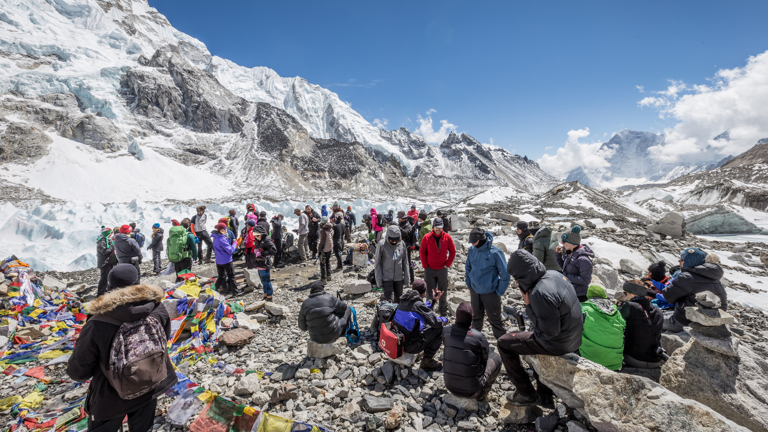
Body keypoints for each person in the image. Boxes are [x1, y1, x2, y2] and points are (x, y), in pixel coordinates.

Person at [67, 264, 177, 432]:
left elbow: (79, 371)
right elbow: (163, 339)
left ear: (109, 287)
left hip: (111, 396)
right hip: (150, 382)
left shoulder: (98, 322)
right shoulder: (157, 308)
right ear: (138, 283)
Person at [500, 250, 582, 406]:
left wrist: (528, 305)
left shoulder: (539, 293)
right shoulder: (554, 274)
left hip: (558, 343)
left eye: (517, 278)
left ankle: (526, 393)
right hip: (575, 338)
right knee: (529, 334)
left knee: (504, 343)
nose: (517, 282)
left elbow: (549, 331)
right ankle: (545, 396)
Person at [443, 302, 502, 401]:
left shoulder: (445, 331)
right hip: (473, 392)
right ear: (471, 319)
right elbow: (485, 359)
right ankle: (484, 393)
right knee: (496, 357)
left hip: (450, 387)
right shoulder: (479, 337)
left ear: (456, 317)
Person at [660, 247, 726, 332]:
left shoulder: (686, 277)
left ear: (689, 262)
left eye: (682, 259)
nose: (679, 261)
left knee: (650, 319)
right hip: (713, 323)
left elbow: (668, 297)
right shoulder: (714, 276)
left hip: (686, 323)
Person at [465, 228, 510, 339]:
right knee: (476, 318)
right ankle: (473, 342)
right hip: (475, 290)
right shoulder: (472, 250)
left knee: (495, 320)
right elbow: (468, 267)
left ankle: (504, 345)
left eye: (474, 241)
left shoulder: (495, 252)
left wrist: (499, 291)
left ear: (481, 239)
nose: (473, 244)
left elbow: (505, 273)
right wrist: (469, 283)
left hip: (490, 292)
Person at [393, 279, 447, 371]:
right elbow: (436, 323)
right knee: (439, 329)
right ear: (424, 293)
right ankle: (427, 361)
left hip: (399, 340)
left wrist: (433, 301)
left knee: (424, 324)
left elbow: (421, 307)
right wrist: (445, 319)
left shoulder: (405, 299)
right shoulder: (417, 305)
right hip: (409, 346)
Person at [579, 285, 625, 370]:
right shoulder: (616, 310)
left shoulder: (584, 308)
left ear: (588, 296)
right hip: (615, 363)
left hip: (591, 360)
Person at [620, 282, 665, 370]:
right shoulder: (658, 311)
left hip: (635, 359)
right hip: (656, 361)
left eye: (625, 293)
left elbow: (615, 322)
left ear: (633, 294)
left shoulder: (630, 306)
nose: (625, 296)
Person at [419, 217, 456, 316]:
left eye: (440, 227)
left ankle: (442, 310)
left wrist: (448, 264)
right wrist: (425, 265)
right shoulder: (427, 237)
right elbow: (422, 252)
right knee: (430, 292)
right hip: (429, 269)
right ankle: (429, 311)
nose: (438, 229)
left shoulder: (447, 237)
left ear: (442, 227)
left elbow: (453, 251)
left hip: (442, 269)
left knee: (443, 291)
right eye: (436, 227)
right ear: (433, 227)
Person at [555, 225, 594, 302]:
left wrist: (565, 276)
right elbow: (564, 267)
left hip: (579, 295)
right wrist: (558, 255)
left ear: (572, 243)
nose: (562, 244)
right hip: (570, 292)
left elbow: (585, 280)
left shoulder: (583, 259)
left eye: (564, 242)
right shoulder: (571, 253)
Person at [374, 225, 411, 303]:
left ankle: (397, 315)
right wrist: (379, 280)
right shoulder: (381, 245)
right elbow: (377, 263)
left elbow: (405, 262)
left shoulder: (402, 244)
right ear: (388, 237)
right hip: (386, 278)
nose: (394, 242)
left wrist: (407, 279)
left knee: (399, 301)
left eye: (396, 240)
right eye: (392, 240)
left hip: (399, 278)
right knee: (389, 301)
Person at [212, 223, 242, 296]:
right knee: (231, 276)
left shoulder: (215, 237)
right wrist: (235, 243)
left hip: (218, 260)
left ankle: (214, 290)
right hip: (226, 260)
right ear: (222, 230)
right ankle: (235, 292)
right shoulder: (221, 239)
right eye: (225, 229)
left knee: (221, 276)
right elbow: (230, 250)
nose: (226, 230)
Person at [253, 225, 277, 301]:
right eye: (255, 235)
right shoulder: (259, 240)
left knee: (266, 281)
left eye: (257, 235)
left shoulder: (267, 239)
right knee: (263, 281)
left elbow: (274, 250)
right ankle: (265, 295)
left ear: (261, 233)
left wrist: (263, 252)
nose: (256, 237)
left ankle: (270, 297)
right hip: (259, 263)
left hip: (265, 264)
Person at [96, 226, 117, 297]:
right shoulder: (102, 242)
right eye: (110, 233)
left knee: (108, 277)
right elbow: (104, 252)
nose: (111, 234)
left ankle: (106, 291)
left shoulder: (107, 240)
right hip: (104, 263)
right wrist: (112, 247)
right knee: (104, 278)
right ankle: (100, 294)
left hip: (108, 262)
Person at [397, 210, 415, 282]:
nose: (399, 219)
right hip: (400, 246)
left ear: (404, 218)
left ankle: (411, 279)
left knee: (408, 263)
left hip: (407, 246)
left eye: (400, 218)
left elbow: (407, 233)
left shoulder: (408, 225)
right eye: (399, 218)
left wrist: (399, 229)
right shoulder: (400, 224)